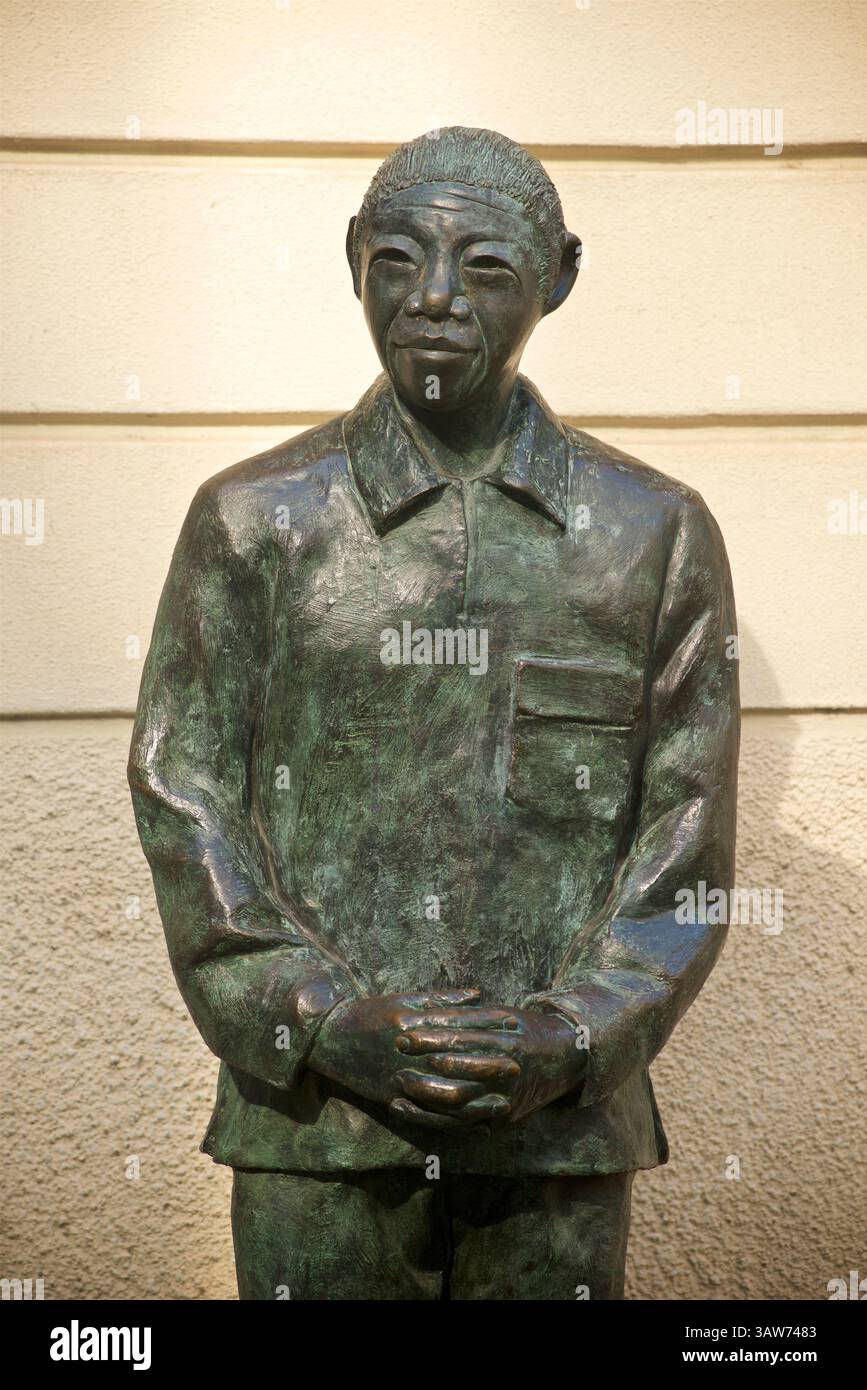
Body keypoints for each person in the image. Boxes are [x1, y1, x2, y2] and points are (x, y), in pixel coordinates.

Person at [129, 127, 739, 1300]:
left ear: (559, 276)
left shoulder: (653, 535)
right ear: (354, 258)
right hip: (316, 1136)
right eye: (401, 258)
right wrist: (321, 1018)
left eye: (488, 267)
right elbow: (183, 800)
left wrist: (570, 1038)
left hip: (555, 1145)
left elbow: (688, 836)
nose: (438, 299)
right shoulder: (256, 523)